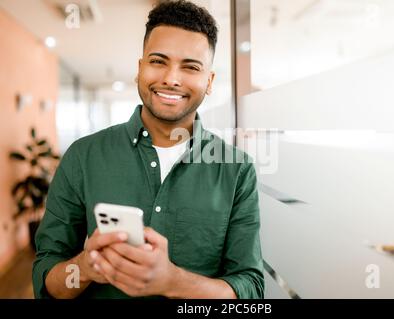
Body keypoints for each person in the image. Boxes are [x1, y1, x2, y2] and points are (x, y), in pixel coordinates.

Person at [32, 0, 264, 299]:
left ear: (209, 81)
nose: (171, 78)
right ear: (140, 69)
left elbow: (250, 291)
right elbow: (47, 280)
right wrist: (85, 268)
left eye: (190, 67)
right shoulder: (83, 156)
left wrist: (172, 282)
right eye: (158, 61)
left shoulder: (236, 169)